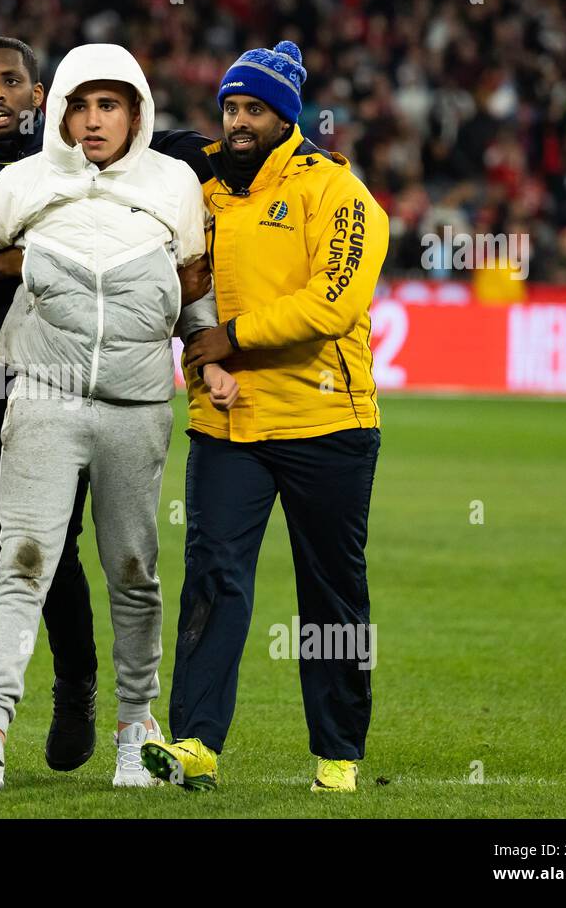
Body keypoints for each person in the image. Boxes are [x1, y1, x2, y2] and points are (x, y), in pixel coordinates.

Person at [0, 38, 218, 780]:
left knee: (133, 568)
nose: (93, 118)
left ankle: (135, 729)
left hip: (138, 403)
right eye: (80, 104)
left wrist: (207, 350)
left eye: (109, 104)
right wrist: (15, 262)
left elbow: (191, 283)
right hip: (37, 394)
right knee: (18, 558)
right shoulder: (20, 182)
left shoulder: (176, 182)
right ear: (62, 111)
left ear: (135, 111)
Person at [139, 41, 388, 793]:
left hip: (327, 421)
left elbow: (332, 303)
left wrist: (233, 339)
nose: (239, 122)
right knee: (213, 579)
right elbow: (183, 292)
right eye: (231, 108)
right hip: (229, 424)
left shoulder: (336, 191)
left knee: (332, 592)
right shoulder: (203, 191)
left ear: (287, 116)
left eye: (255, 109)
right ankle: (194, 745)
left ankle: (338, 754)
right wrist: (204, 355)